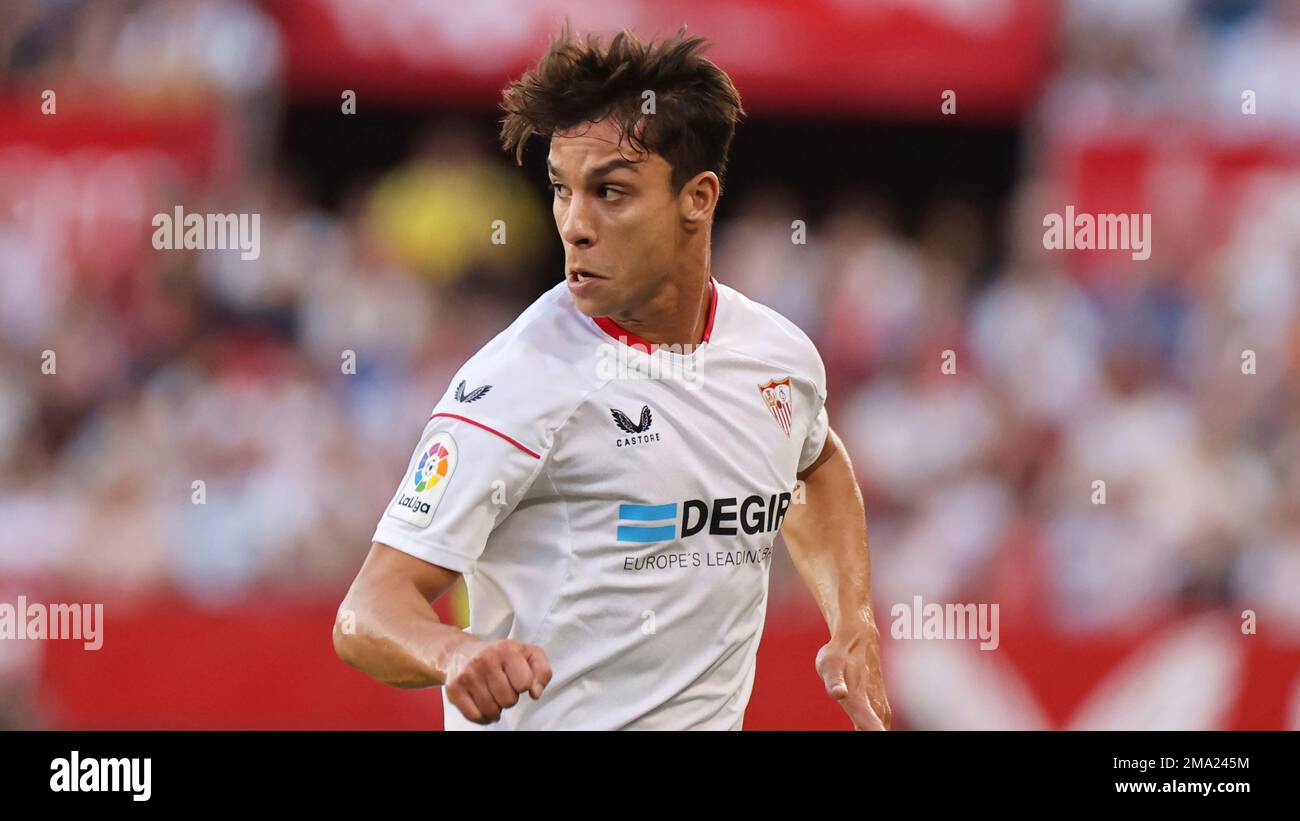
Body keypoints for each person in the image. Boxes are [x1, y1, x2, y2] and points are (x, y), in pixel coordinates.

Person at [333, 26, 889, 731]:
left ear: (699, 196)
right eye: (562, 190)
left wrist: (851, 618)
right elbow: (367, 610)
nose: (575, 224)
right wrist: (453, 650)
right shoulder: (518, 384)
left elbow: (816, 461)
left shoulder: (777, 358)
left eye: (611, 192)